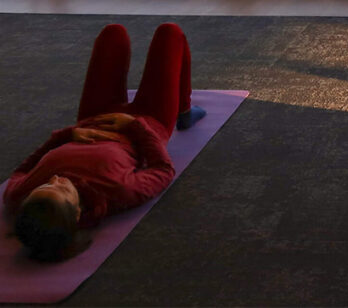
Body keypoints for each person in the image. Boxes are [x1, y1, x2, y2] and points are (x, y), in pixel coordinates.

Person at [4, 23, 205, 261]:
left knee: (113, 33)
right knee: (170, 33)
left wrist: (67, 135)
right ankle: (184, 112)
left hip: (93, 116)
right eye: (62, 189)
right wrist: (134, 126)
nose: (56, 178)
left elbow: (22, 170)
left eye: (46, 184)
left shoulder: (19, 196)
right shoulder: (117, 192)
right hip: (149, 119)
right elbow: (163, 170)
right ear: (77, 213)